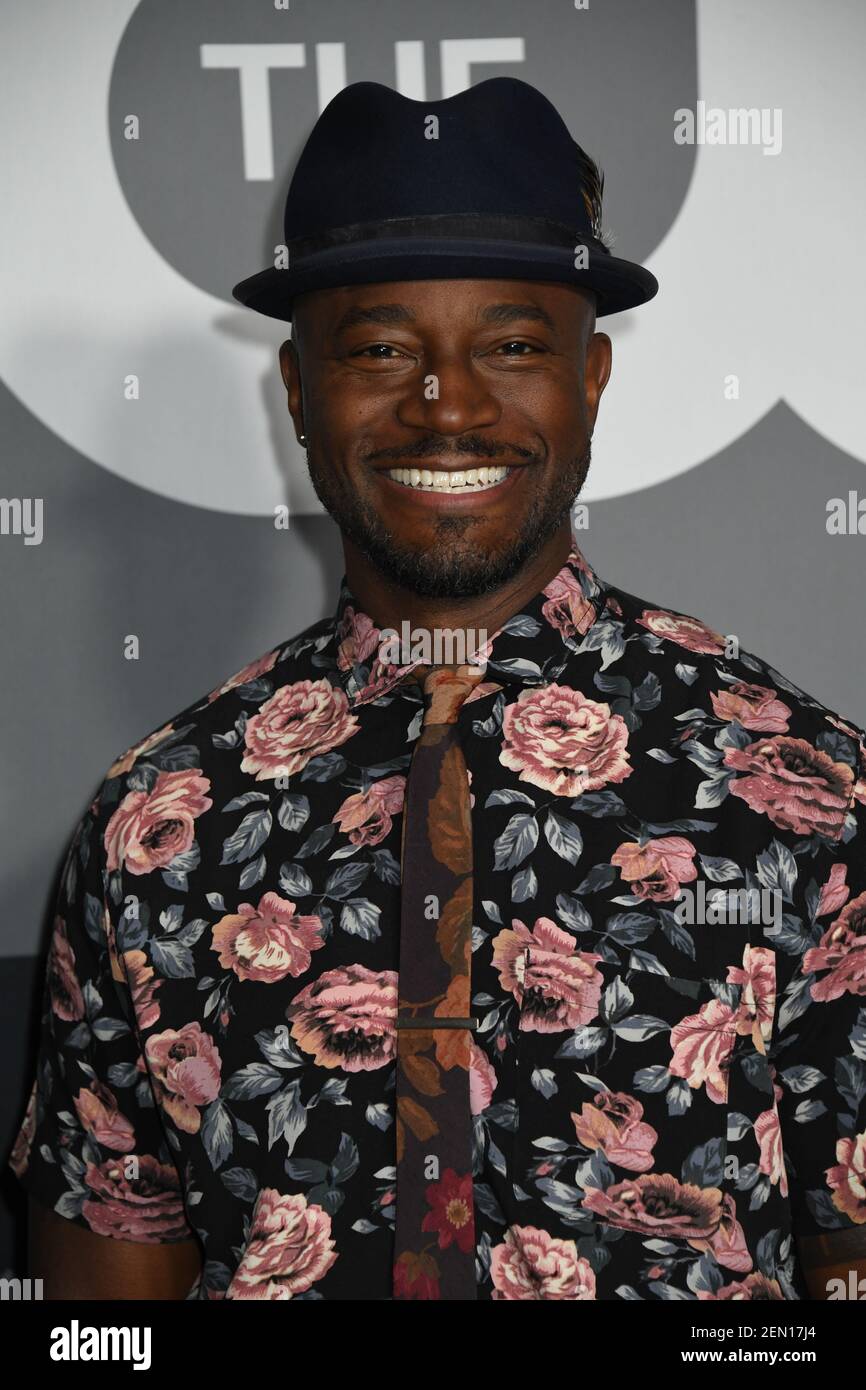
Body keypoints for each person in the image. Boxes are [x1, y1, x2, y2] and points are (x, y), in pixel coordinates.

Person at [10, 79, 866, 1302]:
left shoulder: (812, 798)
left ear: (592, 380)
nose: (447, 403)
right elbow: (101, 1319)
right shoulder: (157, 824)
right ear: (299, 393)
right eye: (379, 349)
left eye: (512, 346)